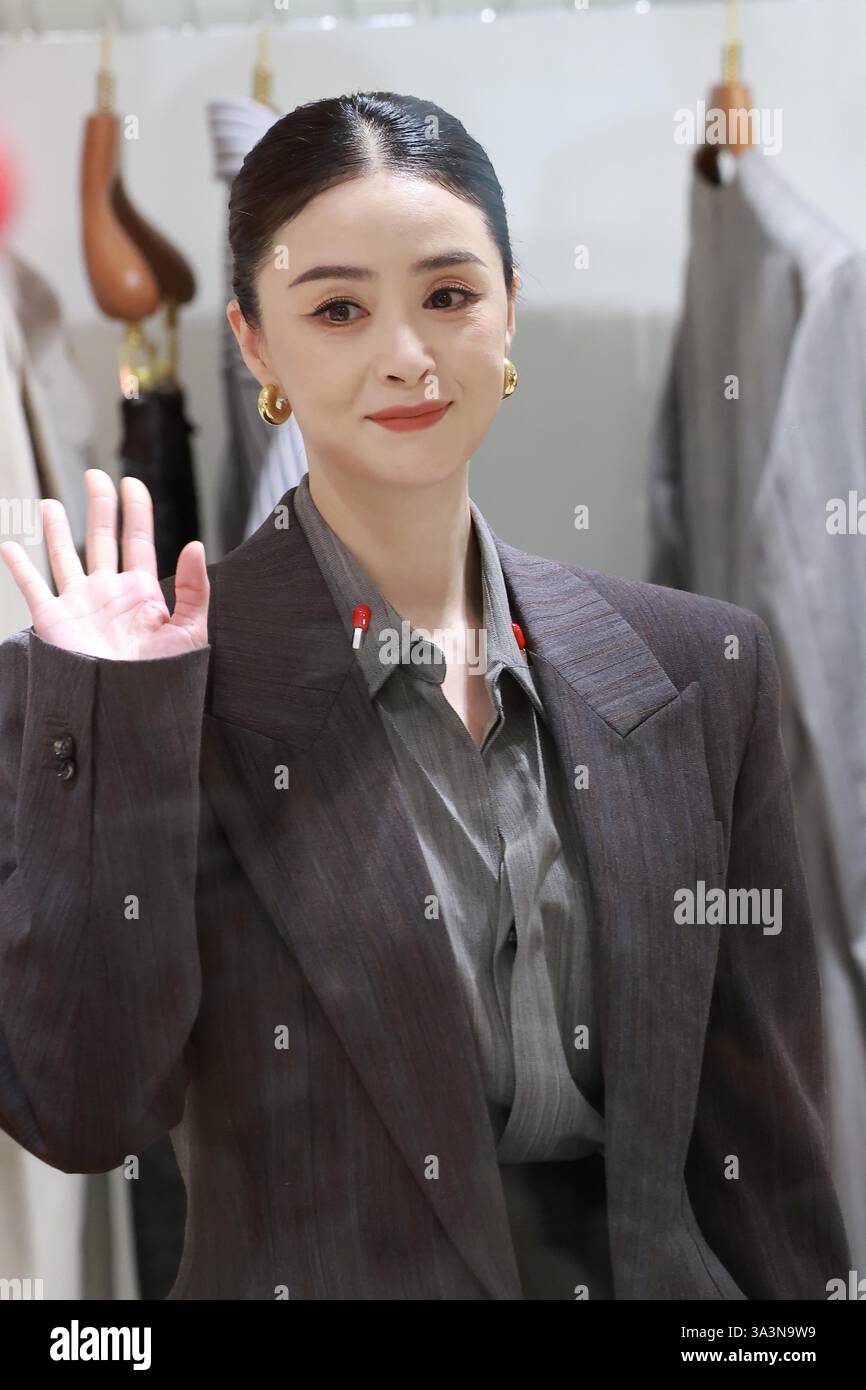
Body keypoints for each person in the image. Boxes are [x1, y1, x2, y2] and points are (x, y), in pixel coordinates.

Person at [0, 91, 851, 1301]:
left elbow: (767, 1163)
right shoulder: (138, 693)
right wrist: (111, 724)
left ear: (506, 310)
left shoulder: (697, 666)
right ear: (252, 344)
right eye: (337, 308)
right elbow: (86, 1111)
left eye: (448, 295)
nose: (405, 353)